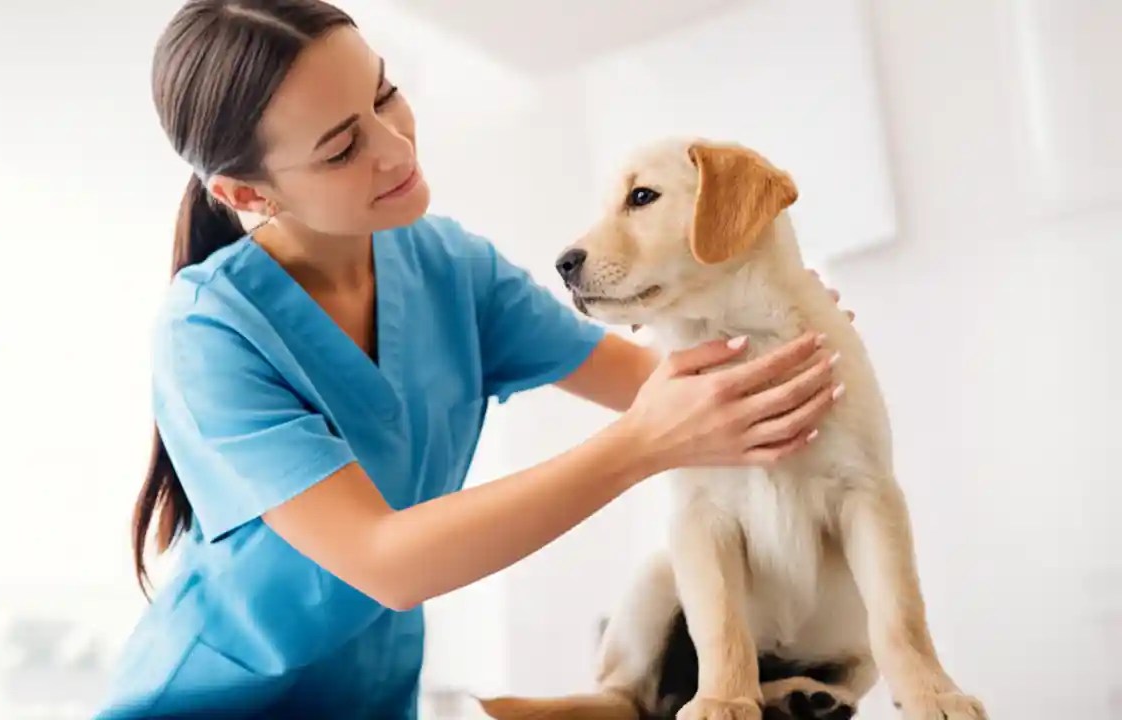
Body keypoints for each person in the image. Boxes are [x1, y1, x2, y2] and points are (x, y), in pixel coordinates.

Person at [97, 1, 848, 717]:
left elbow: (669, 389)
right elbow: (387, 563)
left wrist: (779, 342)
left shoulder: (450, 269)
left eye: (385, 95)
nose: (395, 148)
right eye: (341, 147)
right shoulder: (212, 331)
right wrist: (644, 444)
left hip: (373, 702)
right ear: (246, 193)